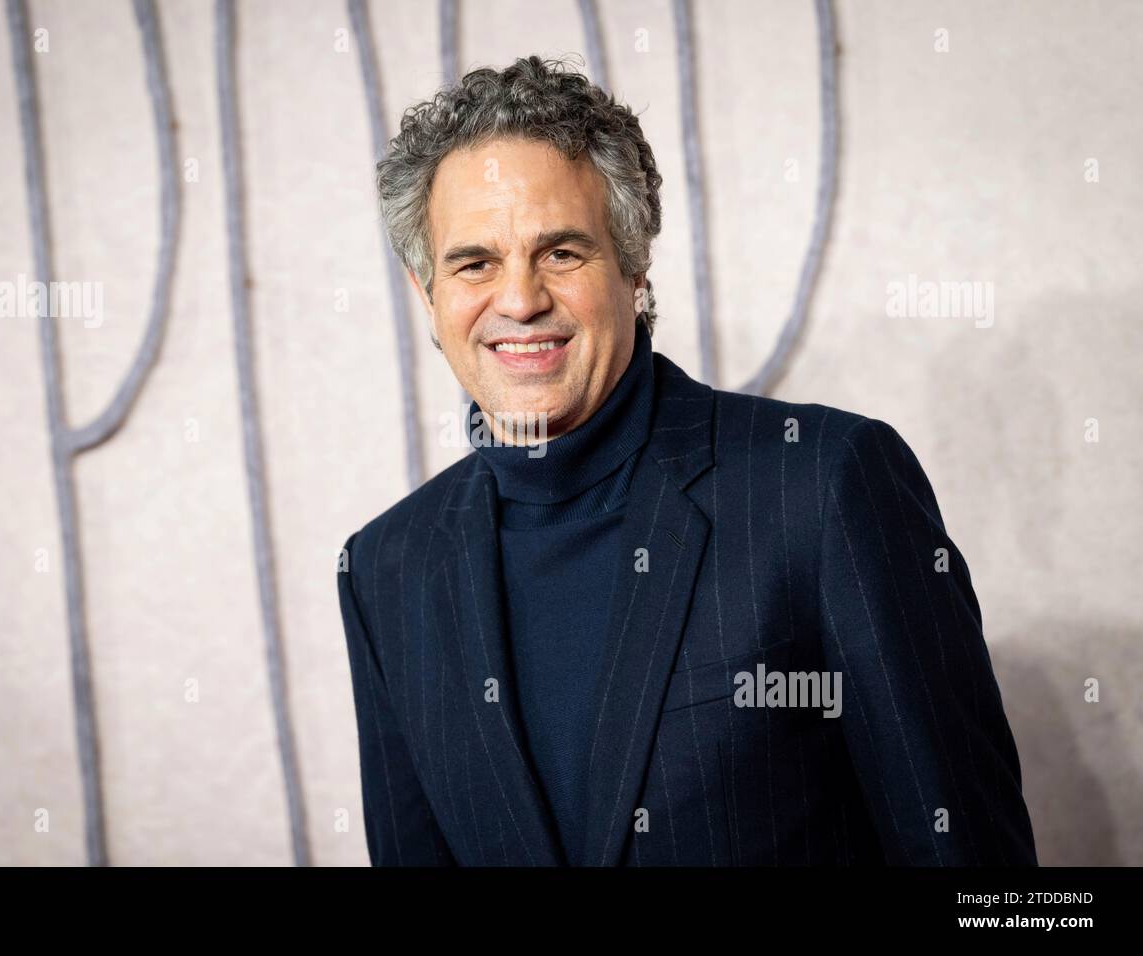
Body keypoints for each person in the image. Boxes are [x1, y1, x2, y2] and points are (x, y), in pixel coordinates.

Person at [337, 55, 1037, 866]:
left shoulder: (823, 484)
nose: (520, 299)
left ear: (634, 267)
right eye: (474, 263)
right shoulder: (386, 569)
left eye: (561, 253)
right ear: (427, 293)